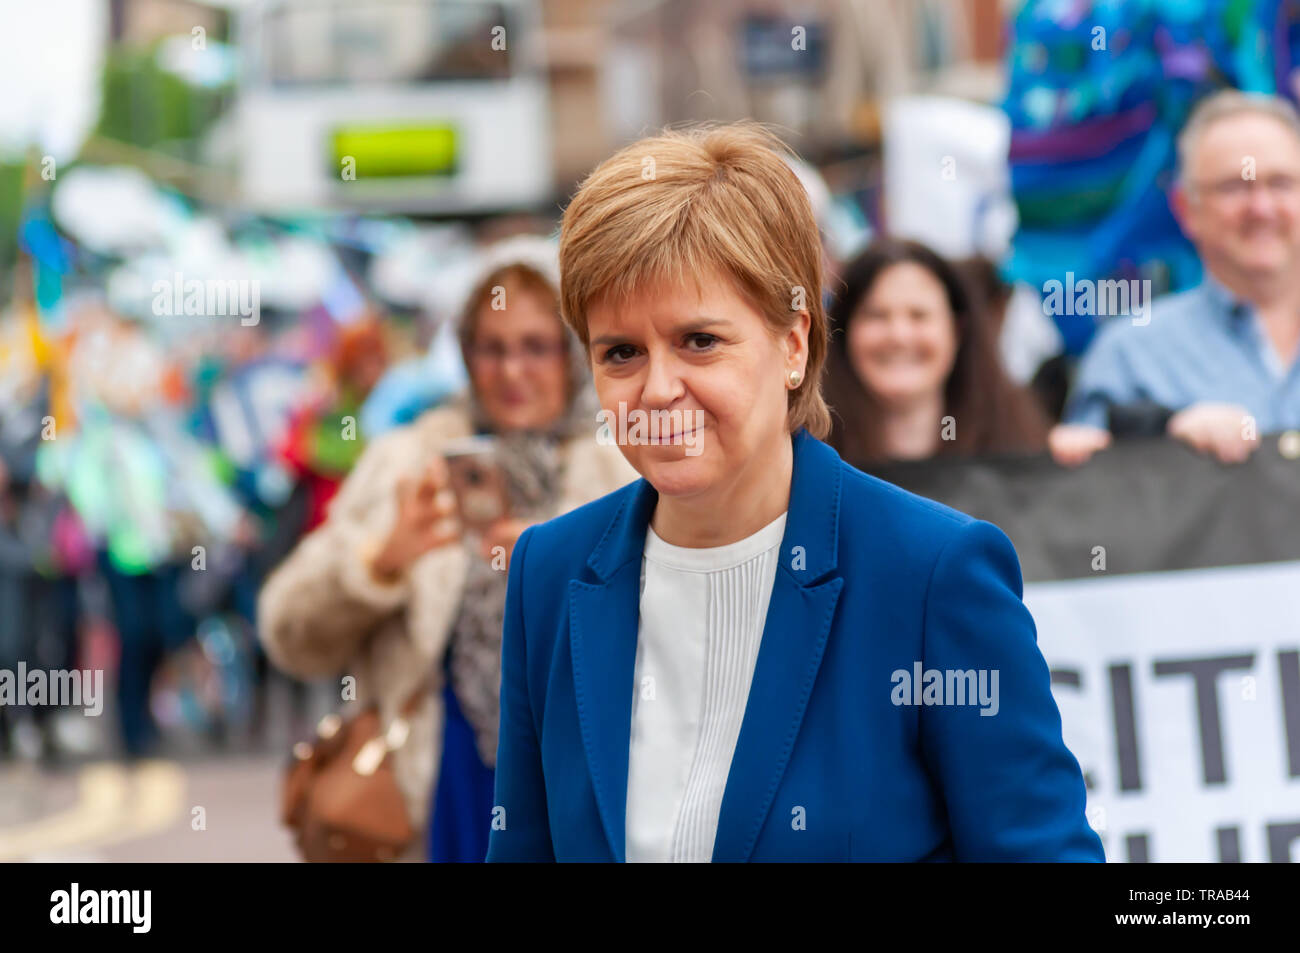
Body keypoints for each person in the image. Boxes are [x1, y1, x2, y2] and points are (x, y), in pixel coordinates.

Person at [486, 123, 1102, 862]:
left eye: (698, 340)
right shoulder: (550, 571)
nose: (656, 388)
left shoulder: (931, 573)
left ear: (794, 343)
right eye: (621, 352)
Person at [257, 237, 636, 862]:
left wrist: (560, 569)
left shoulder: (621, 467)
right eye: (492, 348)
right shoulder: (409, 460)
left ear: (573, 352)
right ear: (463, 354)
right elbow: (288, 633)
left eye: (535, 347)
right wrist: (379, 562)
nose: (512, 372)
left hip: (578, 783)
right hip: (435, 782)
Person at [1053, 90, 1300, 466]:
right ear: (1186, 209)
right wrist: (1163, 442)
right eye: (1234, 186)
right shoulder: (1129, 356)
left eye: (1281, 183)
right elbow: (1087, 507)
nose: (1261, 207)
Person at [824, 239, 1049, 465]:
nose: (899, 336)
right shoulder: (804, 458)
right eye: (876, 315)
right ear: (844, 331)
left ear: (957, 330)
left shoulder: (1022, 451)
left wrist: (1070, 462)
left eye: (919, 315)